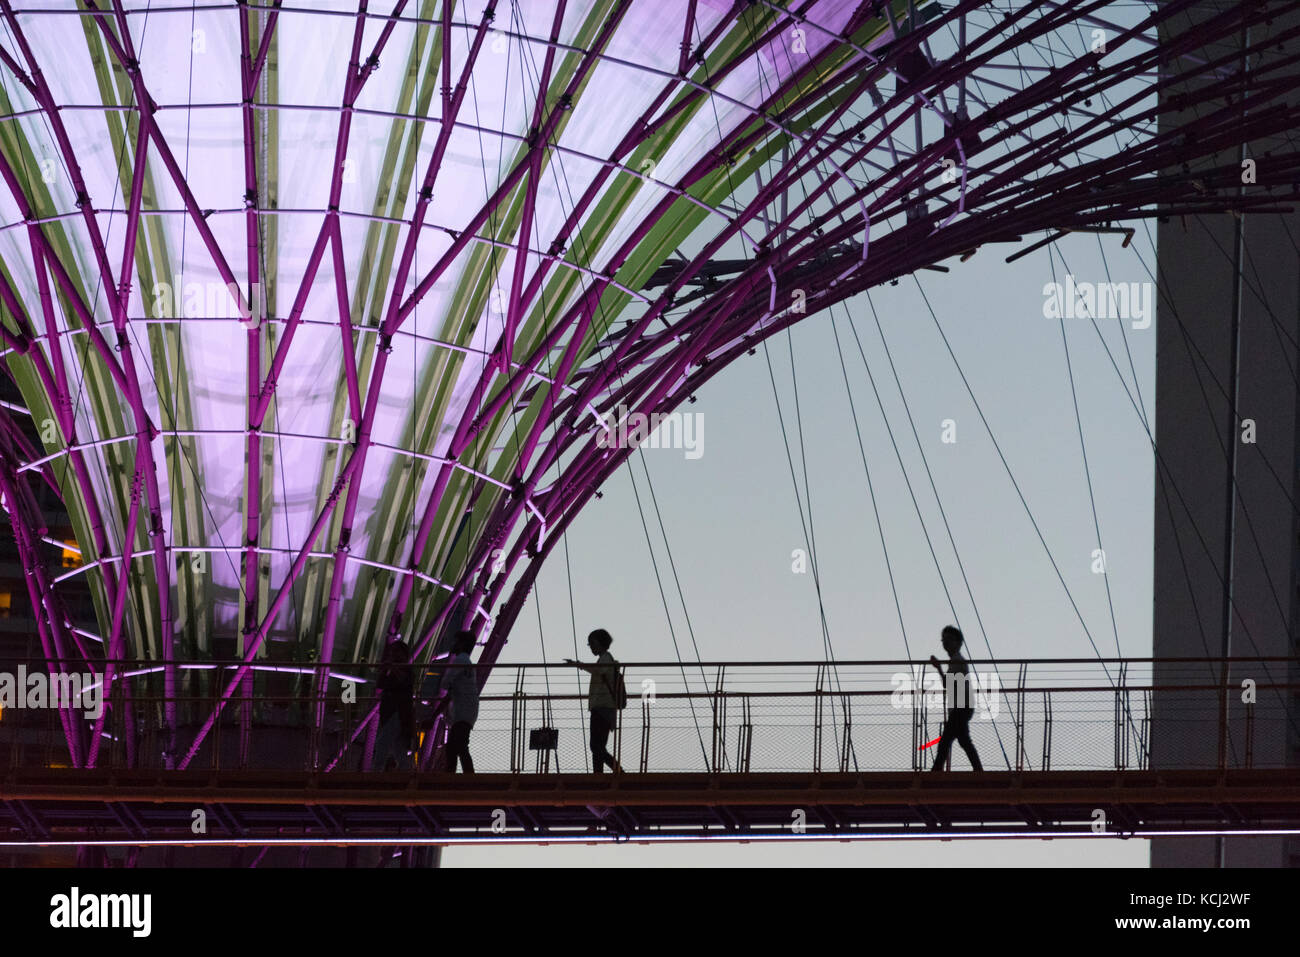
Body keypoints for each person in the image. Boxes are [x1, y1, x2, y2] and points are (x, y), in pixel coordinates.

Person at [565, 629, 623, 773]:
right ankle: (600, 774)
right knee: (598, 746)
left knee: (596, 746)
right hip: (604, 707)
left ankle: (617, 771)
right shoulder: (606, 659)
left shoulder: (605, 659)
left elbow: (598, 670)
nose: (591, 647)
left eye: (591, 644)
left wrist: (578, 665)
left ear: (597, 643)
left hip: (602, 707)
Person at [928, 625, 983, 771]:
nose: (945, 643)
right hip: (962, 707)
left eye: (949, 639)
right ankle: (978, 770)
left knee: (946, 741)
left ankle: (936, 771)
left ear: (958, 642)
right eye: (944, 640)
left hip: (961, 707)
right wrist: (939, 668)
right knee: (963, 740)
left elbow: (949, 683)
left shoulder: (957, 661)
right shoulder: (956, 661)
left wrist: (939, 668)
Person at [438, 631, 479, 773]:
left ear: (461, 644)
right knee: (454, 746)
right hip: (466, 712)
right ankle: (454, 775)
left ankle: (464, 777)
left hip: (462, 712)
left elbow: (445, 683)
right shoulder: (466, 662)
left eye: (456, 642)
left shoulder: (460, 660)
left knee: (459, 745)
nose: (453, 645)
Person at [374, 640, 414, 771]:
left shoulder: (407, 670)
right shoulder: (395, 672)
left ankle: (375, 772)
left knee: (383, 743)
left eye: (395, 652)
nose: (393, 655)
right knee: (399, 747)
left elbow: (403, 680)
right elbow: (380, 684)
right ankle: (405, 774)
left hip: (398, 712)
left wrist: (391, 667)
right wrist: (385, 670)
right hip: (393, 712)